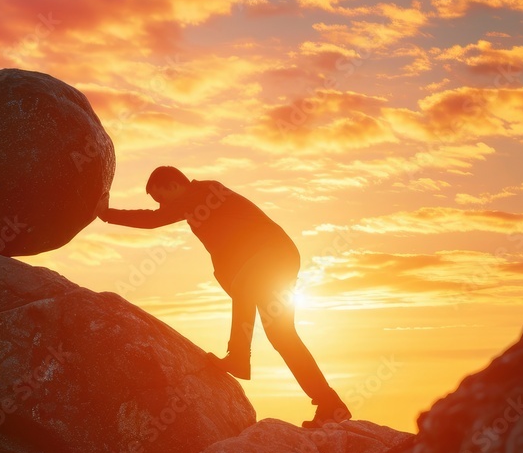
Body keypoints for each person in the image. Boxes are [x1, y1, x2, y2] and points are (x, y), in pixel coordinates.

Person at [95, 166, 350, 428]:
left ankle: (239, 356)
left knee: (245, 287)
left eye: (161, 199)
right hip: (268, 262)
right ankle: (331, 404)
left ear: (174, 185)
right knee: (282, 337)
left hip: (273, 254)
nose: (162, 207)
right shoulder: (192, 201)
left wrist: (105, 214)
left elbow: (152, 220)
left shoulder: (204, 191)